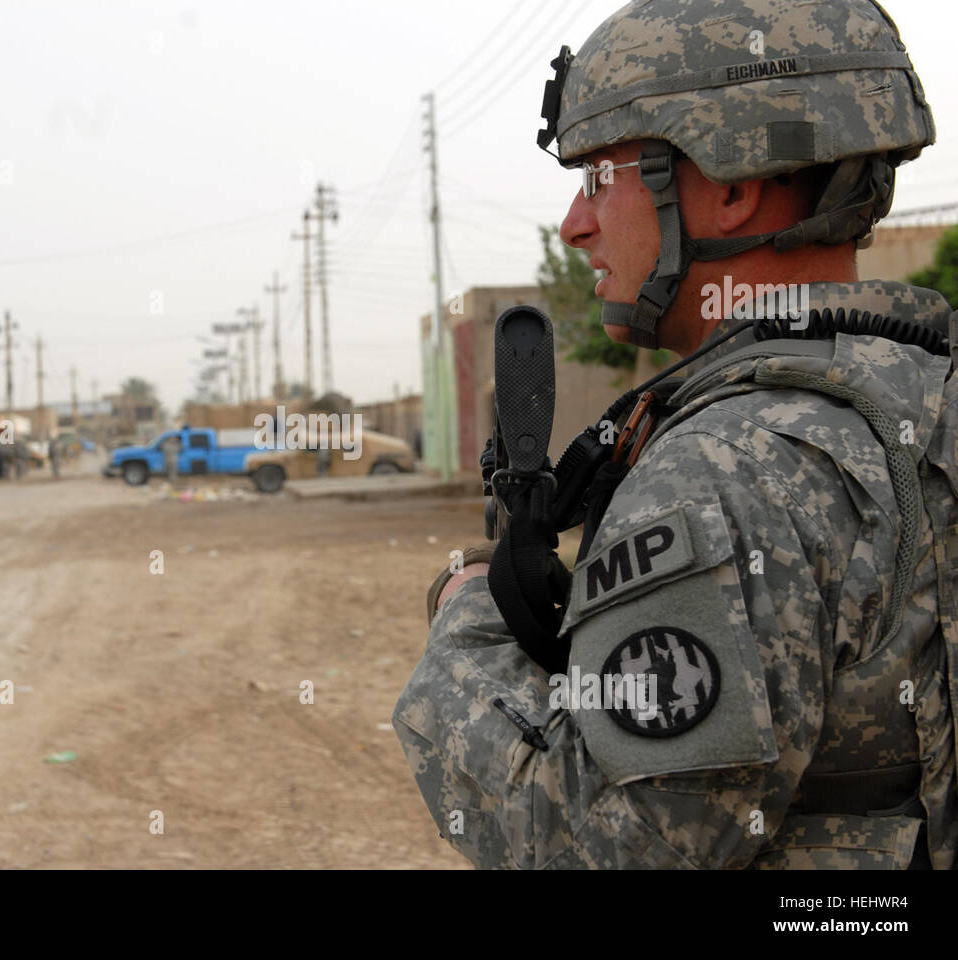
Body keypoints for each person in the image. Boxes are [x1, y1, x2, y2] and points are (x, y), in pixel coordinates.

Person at [394, 0, 956, 869]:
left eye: (598, 181)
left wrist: (466, 611)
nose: (576, 225)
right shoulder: (928, 394)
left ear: (729, 188)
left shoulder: (732, 468)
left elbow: (601, 844)